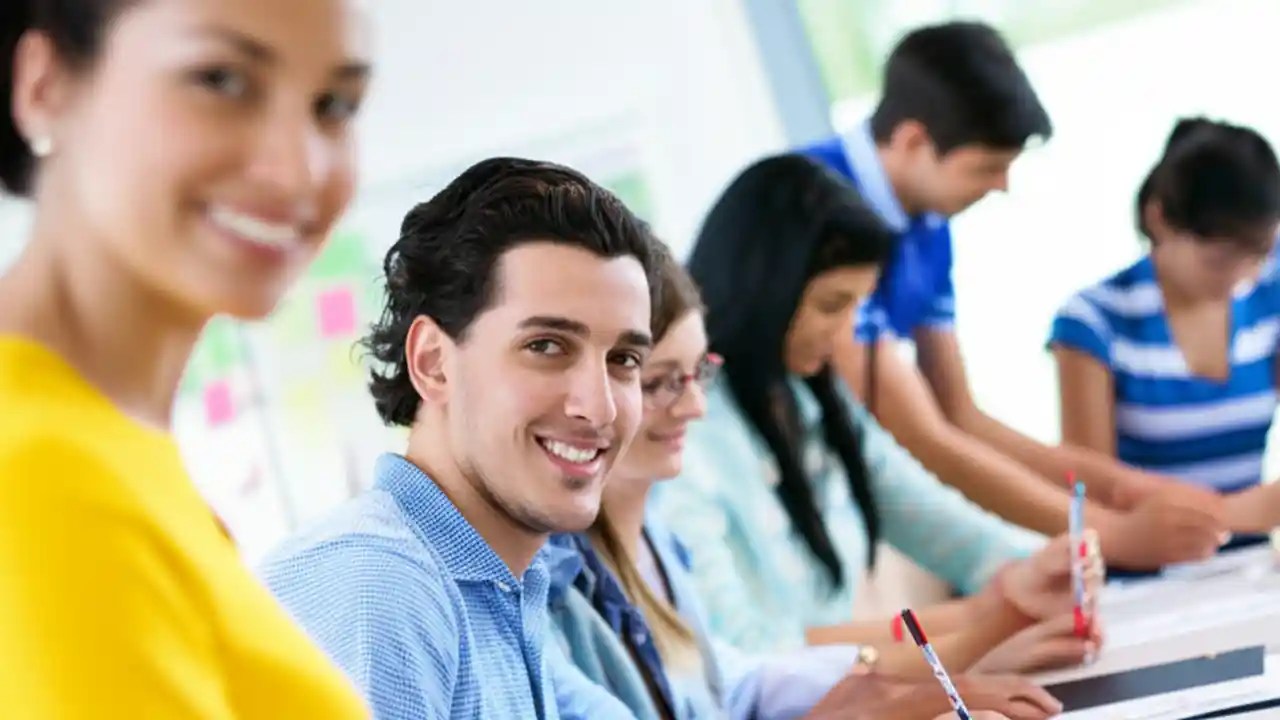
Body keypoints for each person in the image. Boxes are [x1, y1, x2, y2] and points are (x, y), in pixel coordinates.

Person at [0, 0, 372, 716]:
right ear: (46, 87)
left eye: (334, 105)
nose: (298, 169)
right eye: (222, 81)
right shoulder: (45, 475)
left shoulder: (108, 448)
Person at [547, 244, 1066, 720]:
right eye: (659, 382)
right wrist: (975, 630)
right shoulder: (666, 495)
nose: (695, 405)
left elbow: (735, 682)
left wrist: (978, 637)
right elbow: (754, 659)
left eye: (700, 372)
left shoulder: (652, 535)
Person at [650, 154, 1102, 687]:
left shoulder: (809, 399)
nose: (846, 333)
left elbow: (939, 521)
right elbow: (752, 659)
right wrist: (985, 623)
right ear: (763, 288)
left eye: (857, 308)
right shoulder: (685, 438)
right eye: (831, 306)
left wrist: (1042, 567)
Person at [802, 20, 1228, 570]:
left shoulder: (928, 222)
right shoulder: (822, 208)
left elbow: (959, 414)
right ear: (913, 141)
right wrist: (1115, 534)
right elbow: (921, 437)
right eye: (988, 167)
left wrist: (1126, 488)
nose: (1001, 186)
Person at [260, 157, 665, 719]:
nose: (599, 407)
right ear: (433, 362)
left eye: (623, 360)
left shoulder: (504, 583)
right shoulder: (381, 585)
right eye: (546, 347)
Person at [1051, 117, 1280, 541]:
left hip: (1251, 562)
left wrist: (1223, 517)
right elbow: (1091, 493)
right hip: (1144, 562)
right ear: (1159, 220)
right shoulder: (1093, 320)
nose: (1241, 277)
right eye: (1219, 261)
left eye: (1260, 255)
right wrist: (1235, 514)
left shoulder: (1270, 290)